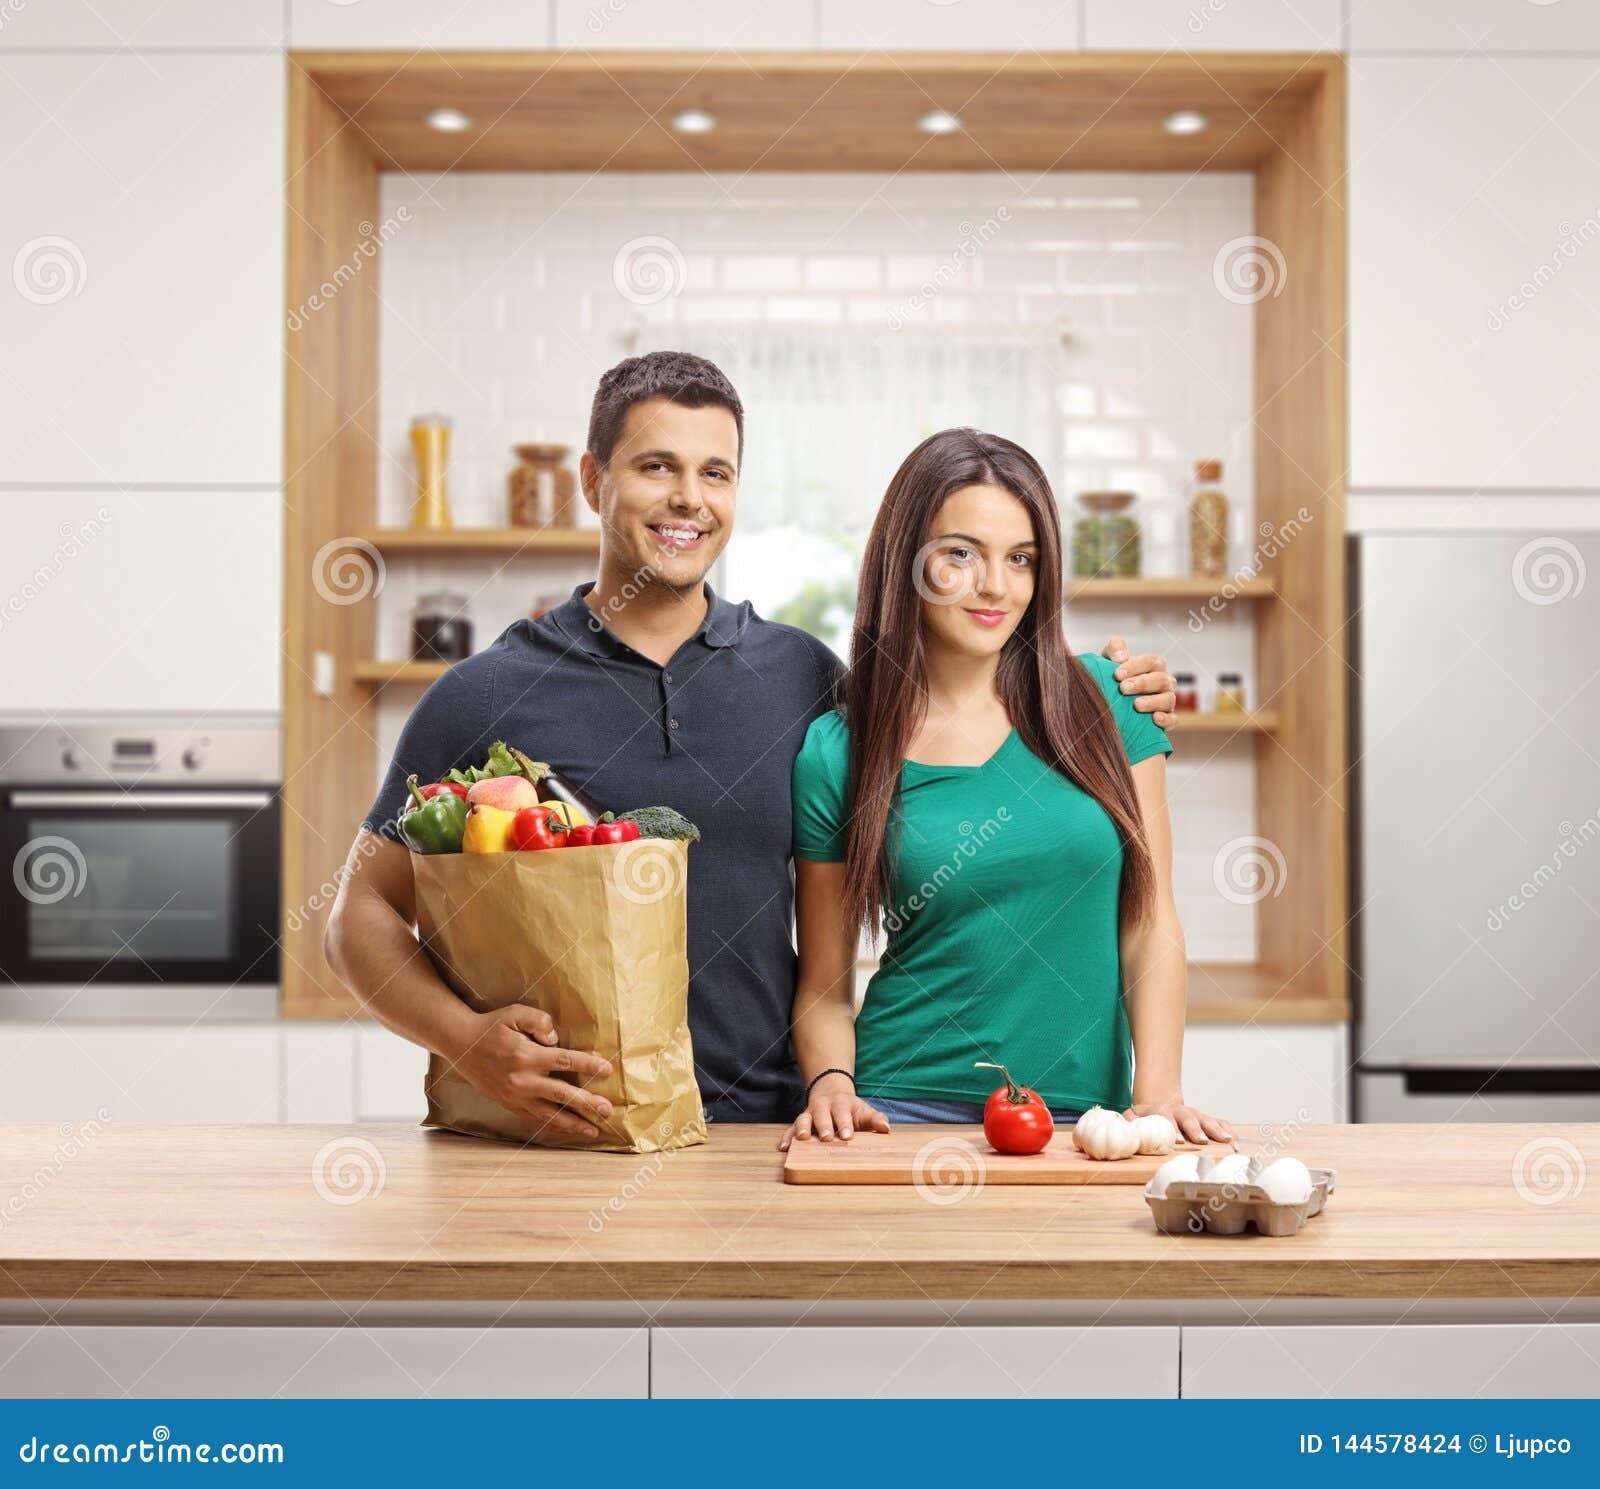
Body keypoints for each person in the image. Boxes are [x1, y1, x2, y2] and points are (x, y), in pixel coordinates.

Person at [325, 352, 1178, 1136]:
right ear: (593, 479)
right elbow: (358, 915)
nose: (688, 497)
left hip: (767, 1121)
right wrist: (469, 1042)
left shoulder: (806, 680)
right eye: (656, 466)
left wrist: (1102, 688)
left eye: (715, 472)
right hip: (562, 1131)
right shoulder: (485, 694)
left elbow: (956, 704)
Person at [781, 427, 1232, 1149]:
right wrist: (831, 1082)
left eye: (1020, 559)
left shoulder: (1110, 704)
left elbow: (1151, 920)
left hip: (1083, 1118)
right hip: (900, 1107)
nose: (997, 585)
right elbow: (824, 989)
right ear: (907, 564)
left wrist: (1158, 1096)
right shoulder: (839, 752)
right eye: (961, 554)